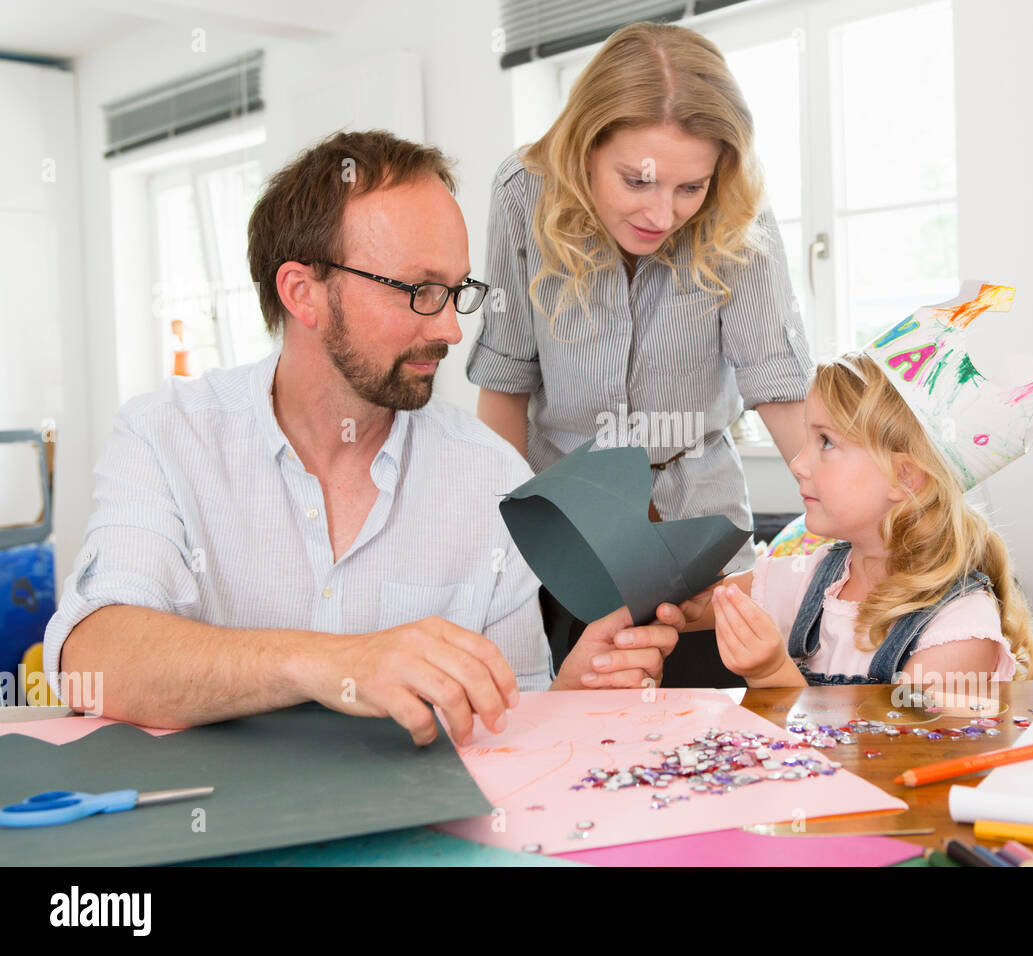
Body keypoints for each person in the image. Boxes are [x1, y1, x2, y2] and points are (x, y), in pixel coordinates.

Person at [43, 131, 685, 747]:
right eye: (419, 291)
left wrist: (570, 697)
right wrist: (332, 663)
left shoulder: (491, 475)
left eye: (456, 292)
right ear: (303, 292)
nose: (451, 332)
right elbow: (92, 658)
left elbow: (502, 723)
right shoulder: (167, 435)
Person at [468, 21, 811, 573]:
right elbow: (506, 381)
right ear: (584, 149)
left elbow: (777, 380)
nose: (661, 216)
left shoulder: (738, 209)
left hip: (701, 510)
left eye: (690, 188)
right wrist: (503, 542)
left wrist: (861, 519)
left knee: (713, 659)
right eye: (636, 181)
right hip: (561, 509)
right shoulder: (522, 194)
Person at [679, 341, 1033, 687]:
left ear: (904, 476)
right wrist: (672, 608)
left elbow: (896, 757)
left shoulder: (960, 630)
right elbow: (691, 606)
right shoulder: (806, 580)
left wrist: (772, 675)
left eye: (826, 441)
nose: (798, 463)